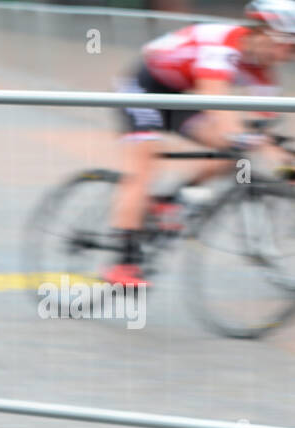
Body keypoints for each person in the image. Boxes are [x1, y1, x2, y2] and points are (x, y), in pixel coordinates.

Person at [104, 0, 295, 286]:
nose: (288, 56)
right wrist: (251, 140)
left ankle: (170, 200)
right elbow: (216, 104)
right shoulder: (220, 45)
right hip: (141, 90)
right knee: (143, 170)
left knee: (230, 154)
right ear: (264, 32)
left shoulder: (262, 69)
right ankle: (122, 264)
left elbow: (263, 128)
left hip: (178, 96)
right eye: (289, 46)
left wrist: (286, 165)